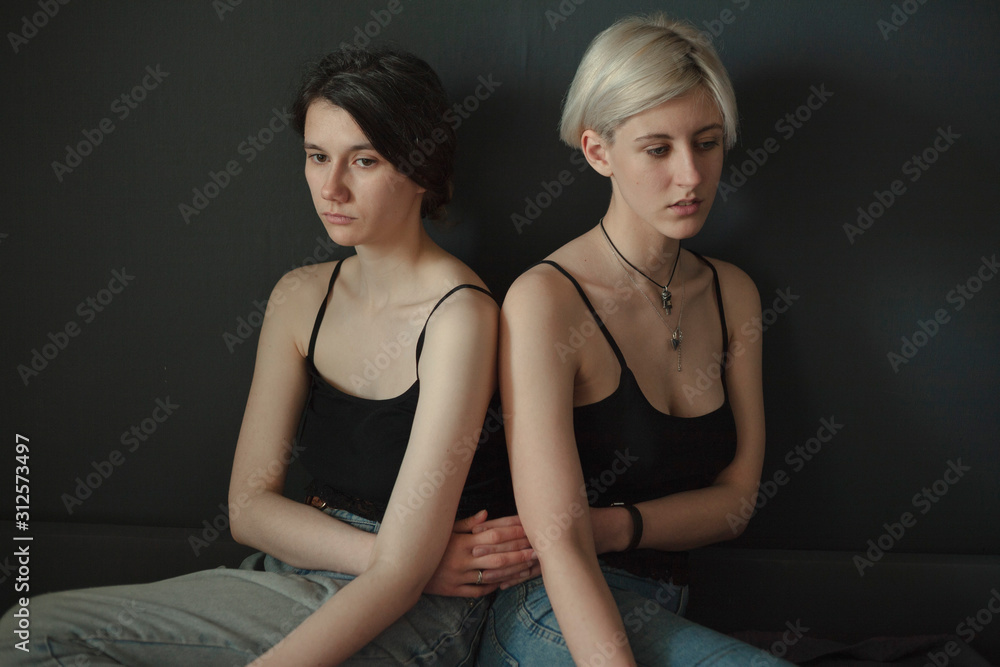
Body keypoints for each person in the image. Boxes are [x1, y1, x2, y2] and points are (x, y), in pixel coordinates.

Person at [1, 47, 537, 666]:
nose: (331, 187)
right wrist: (399, 558)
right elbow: (249, 508)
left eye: (364, 160)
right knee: (29, 631)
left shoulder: (461, 316)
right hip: (310, 566)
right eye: (317, 156)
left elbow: (397, 581)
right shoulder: (299, 296)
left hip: (417, 607)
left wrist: (404, 565)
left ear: (423, 170)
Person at [477, 14, 792, 667]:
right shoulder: (546, 300)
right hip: (552, 607)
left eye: (707, 143)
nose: (691, 175)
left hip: (663, 608)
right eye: (657, 149)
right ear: (598, 152)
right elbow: (560, 543)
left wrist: (614, 523)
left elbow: (736, 503)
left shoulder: (732, 293)